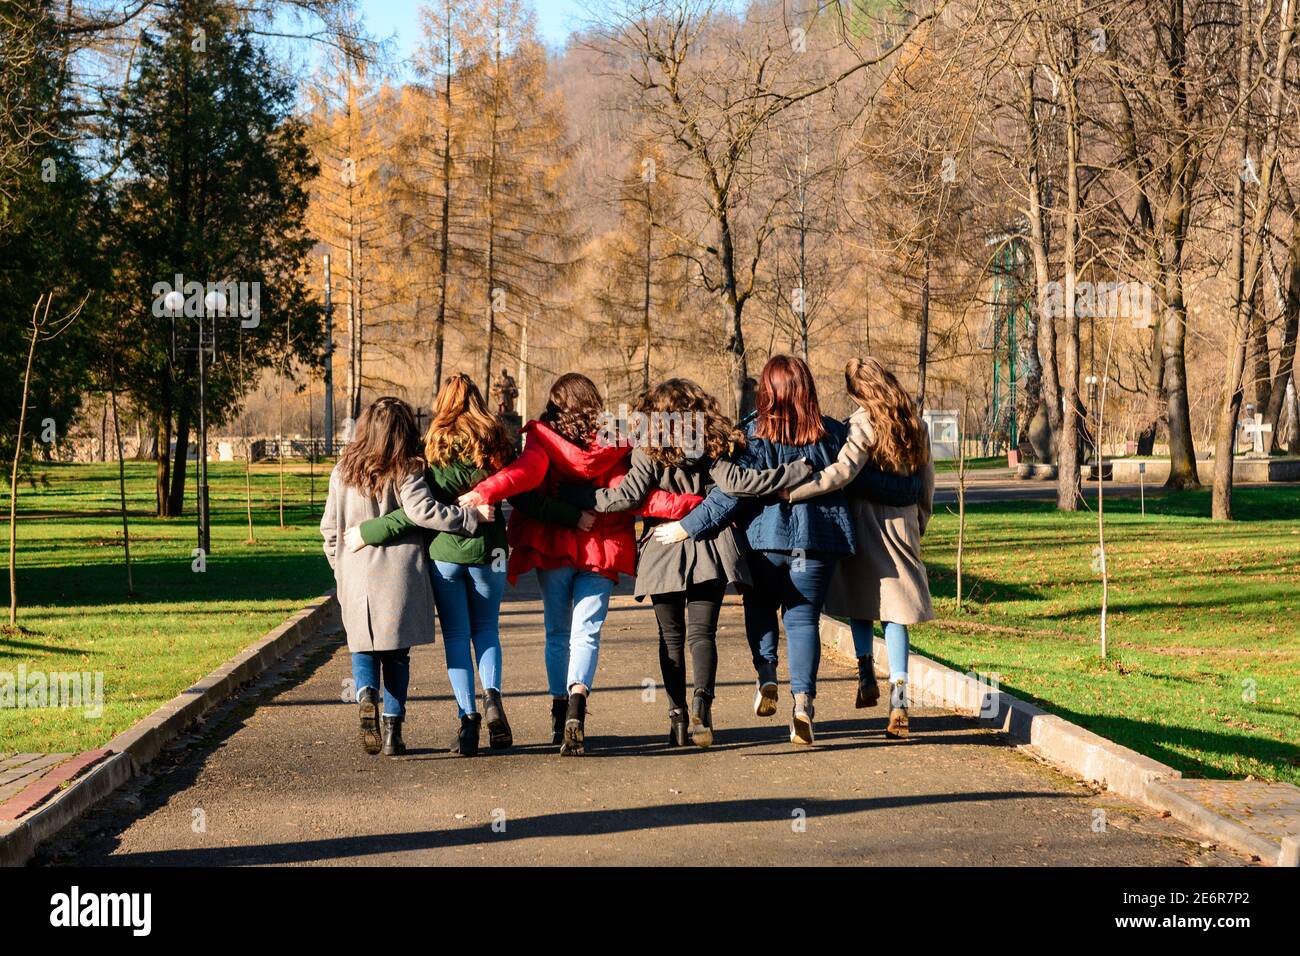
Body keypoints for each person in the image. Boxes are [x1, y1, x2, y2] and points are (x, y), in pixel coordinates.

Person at [458, 372, 701, 755]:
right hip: (601, 545)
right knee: (586, 632)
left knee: (557, 632)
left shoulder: (543, 438)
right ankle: (577, 704)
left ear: (557, 405)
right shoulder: (615, 438)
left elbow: (525, 475)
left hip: (553, 545)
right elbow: (636, 496)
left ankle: (559, 714)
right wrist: (698, 507)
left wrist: (484, 490)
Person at [350, 374, 589, 756]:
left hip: (445, 554)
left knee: (457, 638)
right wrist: (570, 515)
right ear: (479, 400)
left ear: (442, 403)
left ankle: (468, 721)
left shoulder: (429, 449)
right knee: (486, 631)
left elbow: (416, 512)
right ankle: (493, 697)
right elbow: (525, 499)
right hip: (489, 551)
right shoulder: (498, 443)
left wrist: (370, 531)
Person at [568, 378, 811, 747]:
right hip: (710, 546)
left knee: (671, 638)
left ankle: (677, 718)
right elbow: (744, 483)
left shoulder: (650, 448)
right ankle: (704, 707)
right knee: (703, 635)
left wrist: (578, 495)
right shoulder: (714, 446)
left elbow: (625, 497)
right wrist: (796, 471)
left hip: (662, 548)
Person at [654, 356, 855, 745]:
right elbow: (853, 478)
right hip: (816, 542)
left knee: (760, 608)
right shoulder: (831, 433)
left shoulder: (753, 433)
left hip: (765, 541)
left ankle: (766, 676)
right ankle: (803, 704)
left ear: (766, 390)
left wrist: (687, 527)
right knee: (801, 621)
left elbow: (731, 493)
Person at [321, 396, 491, 757]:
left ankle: (366, 694)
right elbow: (423, 511)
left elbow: (329, 530)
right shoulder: (407, 468)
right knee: (397, 656)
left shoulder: (342, 471)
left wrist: (339, 569)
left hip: (354, 575)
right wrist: (469, 519)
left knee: (362, 648)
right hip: (397, 575)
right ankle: (392, 733)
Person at [785, 357, 934, 738]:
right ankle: (899, 699)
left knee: (861, 599)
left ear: (857, 390)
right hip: (903, 523)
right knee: (895, 613)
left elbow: (843, 472)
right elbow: (927, 480)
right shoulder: (914, 422)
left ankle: (866, 671)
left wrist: (797, 489)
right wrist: (920, 521)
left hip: (864, 520)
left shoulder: (863, 422)